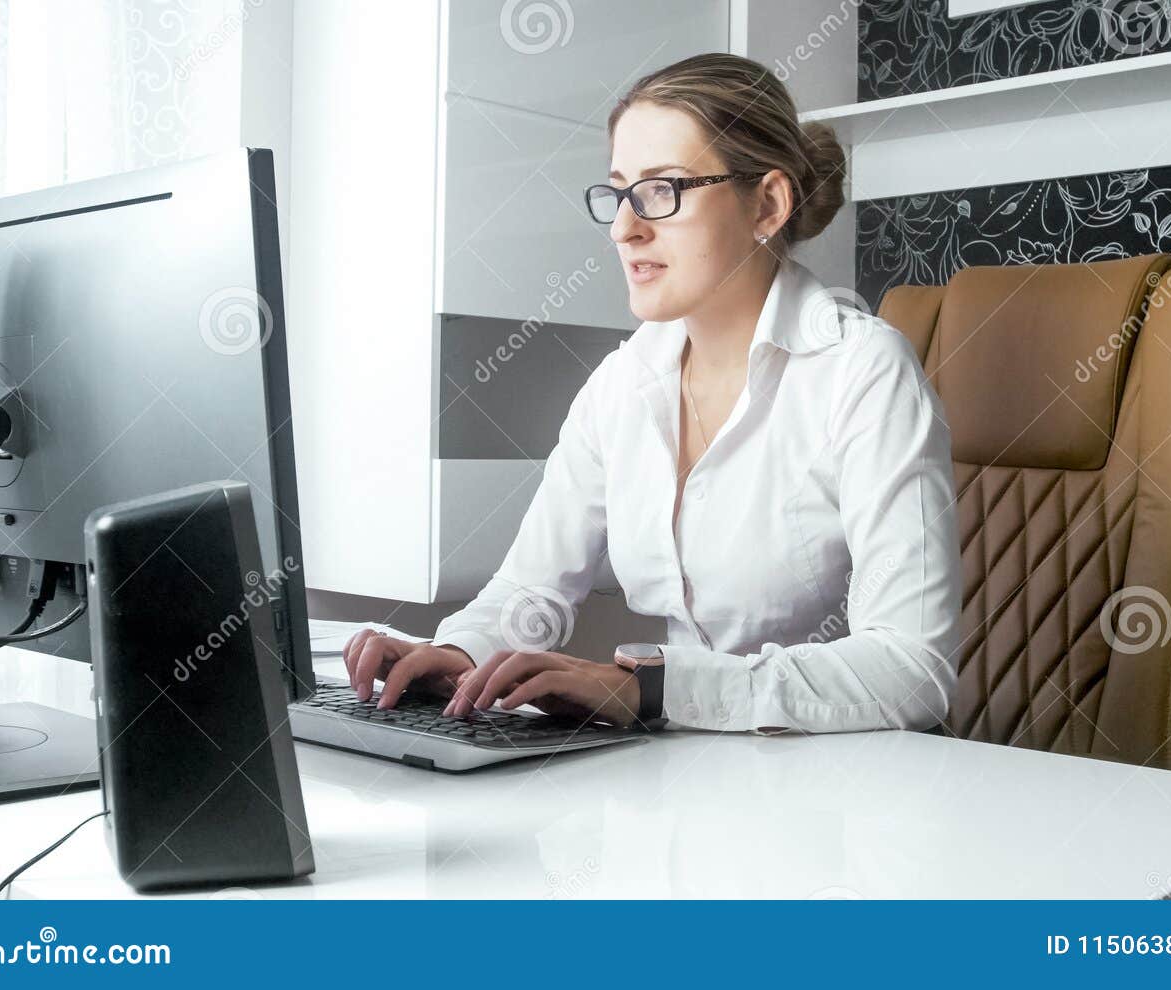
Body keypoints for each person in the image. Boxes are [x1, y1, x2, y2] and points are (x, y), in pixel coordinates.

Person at [344, 53, 960, 734]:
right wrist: (459, 654)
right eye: (619, 193)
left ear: (768, 204)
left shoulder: (862, 372)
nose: (624, 229)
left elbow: (913, 669)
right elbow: (533, 587)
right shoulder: (624, 382)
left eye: (662, 190)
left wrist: (656, 691)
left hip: (848, 793)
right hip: (688, 771)